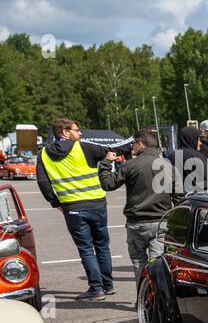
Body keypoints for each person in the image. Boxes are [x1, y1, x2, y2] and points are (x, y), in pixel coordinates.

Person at [36, 118, 122, 300]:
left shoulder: (43, 154)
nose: (80, 133)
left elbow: (43, 183)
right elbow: (111, 151)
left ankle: (96, 288)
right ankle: (107, 285)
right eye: (76, 130)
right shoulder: (84, 147)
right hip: (97, 203)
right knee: (102, 246)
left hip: (72, 207)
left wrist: (56, 203)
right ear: (64, 132)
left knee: (86, 249)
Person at [97, 128, 176, 279]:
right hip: (161, 221)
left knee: (139, 262)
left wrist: (106, 162)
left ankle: (143, 296)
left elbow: (107, 184)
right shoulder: (169, 167)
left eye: (133, 144)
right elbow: (179, 197)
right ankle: (158, 297)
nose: (132, 147)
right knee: (158, 263)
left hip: (137, 223)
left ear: (140, 144)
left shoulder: (130, 165)